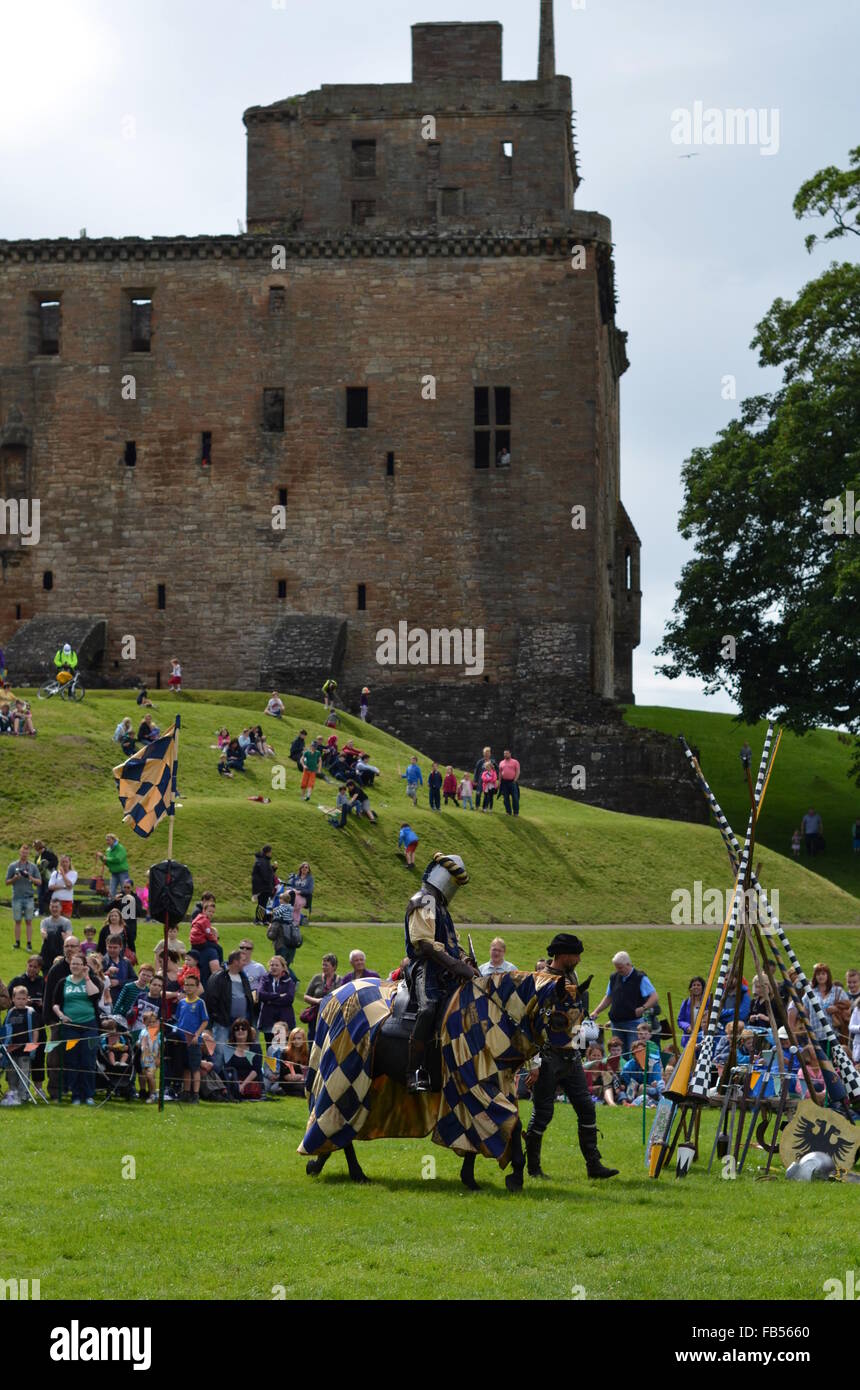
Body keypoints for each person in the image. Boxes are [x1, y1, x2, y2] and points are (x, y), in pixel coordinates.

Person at [524, 933, 619, 1180]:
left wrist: (579, 1048)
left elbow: (576, 1017)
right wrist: (533, 1063)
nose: (578, 959)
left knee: (587, 1109)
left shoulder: (572, 978)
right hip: (546, 1057)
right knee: (543, 1114)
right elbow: (531, 1024)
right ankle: (532, 1169)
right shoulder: (542, 981)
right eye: (575, 955)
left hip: (570, 1058)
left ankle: (594, 1166)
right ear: (563, 955)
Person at [403, 852, 478, 1093]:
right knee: (428, 1009)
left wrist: (465, 960)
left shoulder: (441, 906)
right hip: (425, 966)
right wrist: (457, 967)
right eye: (454, 882)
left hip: (445, 966)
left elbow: (450, 943)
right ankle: (413, 1072)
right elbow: (425, 945)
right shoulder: (424, 900)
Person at [53, 951, 100, 1104]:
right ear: (70, 965)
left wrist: (86, 977)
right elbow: (55, 1004)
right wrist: (61, 1015)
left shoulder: (91, 980)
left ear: (84, 966)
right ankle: (75, 1095)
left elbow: (95, 996)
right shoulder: (63, 982)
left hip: (89, 1025)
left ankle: (88, 1095)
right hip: (70, 1026)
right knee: (72, 1060)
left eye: (79, 964)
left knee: (88, 1060)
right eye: (73, 963)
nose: (75, 966)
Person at [590, 950, 659, 1055]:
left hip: (633, 1024)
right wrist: (596, 1011)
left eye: (620, 967)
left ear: (628, 964)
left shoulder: (640, 978)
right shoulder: (614, 977)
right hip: (616, 1023)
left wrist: (643, 1008)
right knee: (617, 1055)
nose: (618, 970)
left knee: (633, 1054)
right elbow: (609, 997)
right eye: (616, 967)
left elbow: (654, 997)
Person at [204, 950, 256, 1046]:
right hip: (223, 1023)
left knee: (240, 1051)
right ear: (236, 962)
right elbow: (211, 1001)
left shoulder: (243, 977)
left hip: (241, 1023)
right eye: (243, 960)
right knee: (220, 1050)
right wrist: (216, 1019)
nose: (245, 963)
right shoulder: (218, 977)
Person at [1, 984, 39, 1104]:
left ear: (27, 999)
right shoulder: (10, 1012)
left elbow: (35, 1031)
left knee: (24, 1073)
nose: (21, 1001)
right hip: (11, 1050)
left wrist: (33, 1045)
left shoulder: (30, 1012)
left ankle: (23, 1095)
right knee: (11, 1073)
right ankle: (13, 1094)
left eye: (23, 999)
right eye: (18, 998)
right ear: (13, 999)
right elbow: (5, 1029)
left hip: (25, 1049)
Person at [173, 971, 207, 1103]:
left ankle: (195, 1094)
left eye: (191, 985)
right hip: (181, 1039)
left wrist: (197, 1035)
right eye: (186, 985)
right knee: (185, 1067)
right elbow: (178, 1019)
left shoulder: (200, 1003)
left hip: (193, 1040)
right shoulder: (181, 1003)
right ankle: (186, 1092)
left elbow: (205, 1021)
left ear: (197, 987)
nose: (188, 987)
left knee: (195, 1067)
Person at [6, 845, 41, 951]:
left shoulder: (33, 867)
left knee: (29, 921)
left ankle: (29, 943)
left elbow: (39, 882)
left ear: (28, 854)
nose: (24, 855)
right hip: (17, 896)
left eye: (26, 853)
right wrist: (15, 878)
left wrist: (30, 877)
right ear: (19, 853)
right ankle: (17, 942)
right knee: (17, 921)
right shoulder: (12, 866)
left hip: (29, 897)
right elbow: (7, 882)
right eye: (23, 853)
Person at [621, 1020, 664, 1104]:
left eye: (645, 1034)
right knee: (635, 1087)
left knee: (649, 1086)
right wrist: (631, 1083)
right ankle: (634, 1102)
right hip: (637, 1086)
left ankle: (660, 1100)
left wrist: (654, 1082)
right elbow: (624, 1075)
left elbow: (657, 1071)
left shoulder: (653, 1058)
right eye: (641, 1034)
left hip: (651, 1086)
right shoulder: (629, 1065)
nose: (643, 1036)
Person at [302, 954, 340, 1043]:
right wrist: (317, 1001)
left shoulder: (339, 981)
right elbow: (306, 996)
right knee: (312, 1041)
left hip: (331, 1017)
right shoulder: (317, 978)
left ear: (334, 967)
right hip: (315, 1017)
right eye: (323, 965)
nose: (323, 967)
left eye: (326, 965)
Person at [808, 962, 850, 1043]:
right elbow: (805, 1012)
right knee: (818, 1056)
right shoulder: (810, 993)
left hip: (834, 1035)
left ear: (828, 975)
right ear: (815, 976)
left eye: (823, 974)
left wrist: (836, 1008)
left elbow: (848, 1005)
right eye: (818, 974)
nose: (820, 976)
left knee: (834, 1055)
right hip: (816, 1036)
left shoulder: (837, 990)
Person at [257, 956, 296, 1039]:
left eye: (277, 965)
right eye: (272, 965)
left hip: (284, 1019)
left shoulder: (289, 981)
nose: (274, 967)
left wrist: (269, 1001)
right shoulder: (265, 979)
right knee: (269, 1047)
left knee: (283, 1048)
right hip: (268, 1020)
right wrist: (278, 995)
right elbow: (260, 994)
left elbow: (289, 999)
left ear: (283, 967)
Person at [223, 1020, 262, 1099]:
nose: (240, 1031)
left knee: (252, 1090)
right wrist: (237, 1084)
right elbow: (227, 1069)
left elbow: (256, 1069)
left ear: (248, 1031)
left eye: (243, 1028)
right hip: (234, 1080)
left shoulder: (255, 1047)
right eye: (236, 1029)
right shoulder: (228, 1048)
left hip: (251, 1080)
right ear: (233, 1032)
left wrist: (243, 1084)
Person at [677, 976, 708, 1044]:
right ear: (691, 988)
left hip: (703, 1038)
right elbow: (680, 1020)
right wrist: (687, 1027)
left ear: (703, 988)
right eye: (694, 985)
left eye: (698, 985)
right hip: (688, 1039)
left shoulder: (708, 1002)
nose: (696, 987)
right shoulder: (686, 1002)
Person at [98, 833, 131, 898]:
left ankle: (125, 906)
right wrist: (101, 857)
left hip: (123, 873)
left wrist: (106, 858)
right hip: (114, 873)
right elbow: (108, 863)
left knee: (124, 890)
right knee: (111, 891)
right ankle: (113, 906)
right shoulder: (108, 850)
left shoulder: (120, 848)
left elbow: (118, 859)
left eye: (108, 840)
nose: (107, 842)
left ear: (113, 840)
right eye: (106, 840)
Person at [32, 839, 58, 916]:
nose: (35, 850)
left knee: (47, 895)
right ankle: (41, 912)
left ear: (39, 847)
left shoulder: (49, 853)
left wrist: (46, 865)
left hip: (48, 878)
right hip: (40, 878)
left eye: (36, 848)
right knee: (40, 895)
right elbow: (35, 866)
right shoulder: (37, 856)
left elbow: (55, 862)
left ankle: (49, 912)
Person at [252, 845, 275, 919]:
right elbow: (265, 874)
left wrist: (273, 869)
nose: (271, 853)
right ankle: (258, 920)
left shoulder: (264, 860)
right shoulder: (263, 861)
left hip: (263, 886)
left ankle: (263, 919)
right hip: (264, 887)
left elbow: (267, 872)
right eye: (270, 852)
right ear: (267, 852)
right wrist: (269, 884)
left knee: (263, 904)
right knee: (262, 904)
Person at [498, 749, 521, 816]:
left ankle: (516, 812)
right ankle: (508, 812)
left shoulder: (515, 762)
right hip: (504, 782)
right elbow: (500, 772)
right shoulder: (501, 762)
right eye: (504, 753)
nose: (505, 755)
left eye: (507, 753)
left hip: (512, 782)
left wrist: (515, 780)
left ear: (510, 754)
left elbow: (518, 771)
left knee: (515, 798)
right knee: (505, 798)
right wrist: (499, 781)